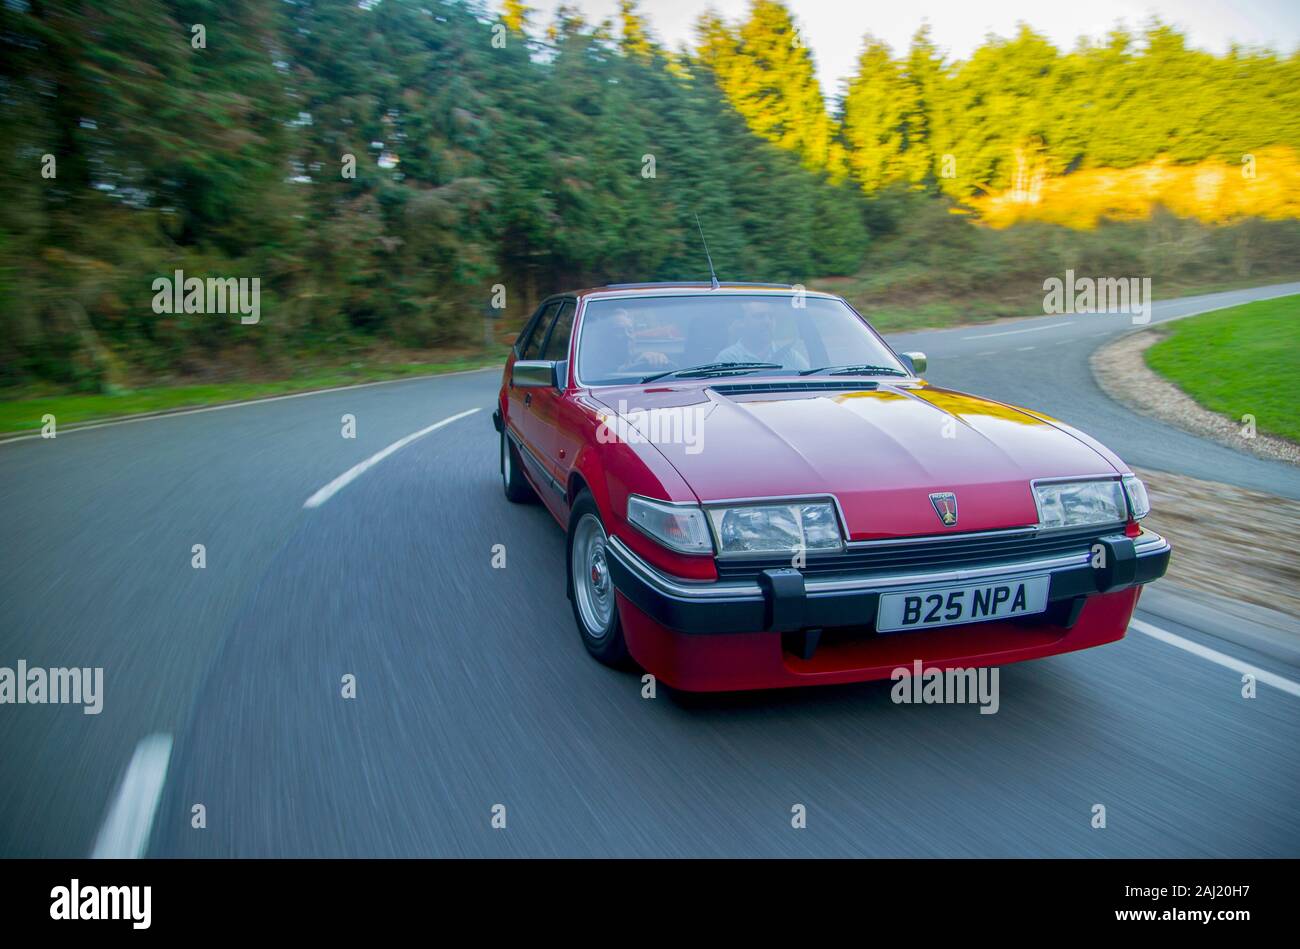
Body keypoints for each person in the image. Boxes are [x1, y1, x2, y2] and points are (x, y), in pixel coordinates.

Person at [715, 301, 809, 369]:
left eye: (771, 316)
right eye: (759, 316)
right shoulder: (728, 358)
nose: (767, 322)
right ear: (742, 322)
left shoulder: (789, 356)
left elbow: (810, 378)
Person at [582, 308, 669, 378]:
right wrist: (623, 370)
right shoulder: (588, 370)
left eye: (630, 330)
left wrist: (658, 359)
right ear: (605, 337)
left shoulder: (642, 358)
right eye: (618, 331)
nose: (627, 335)